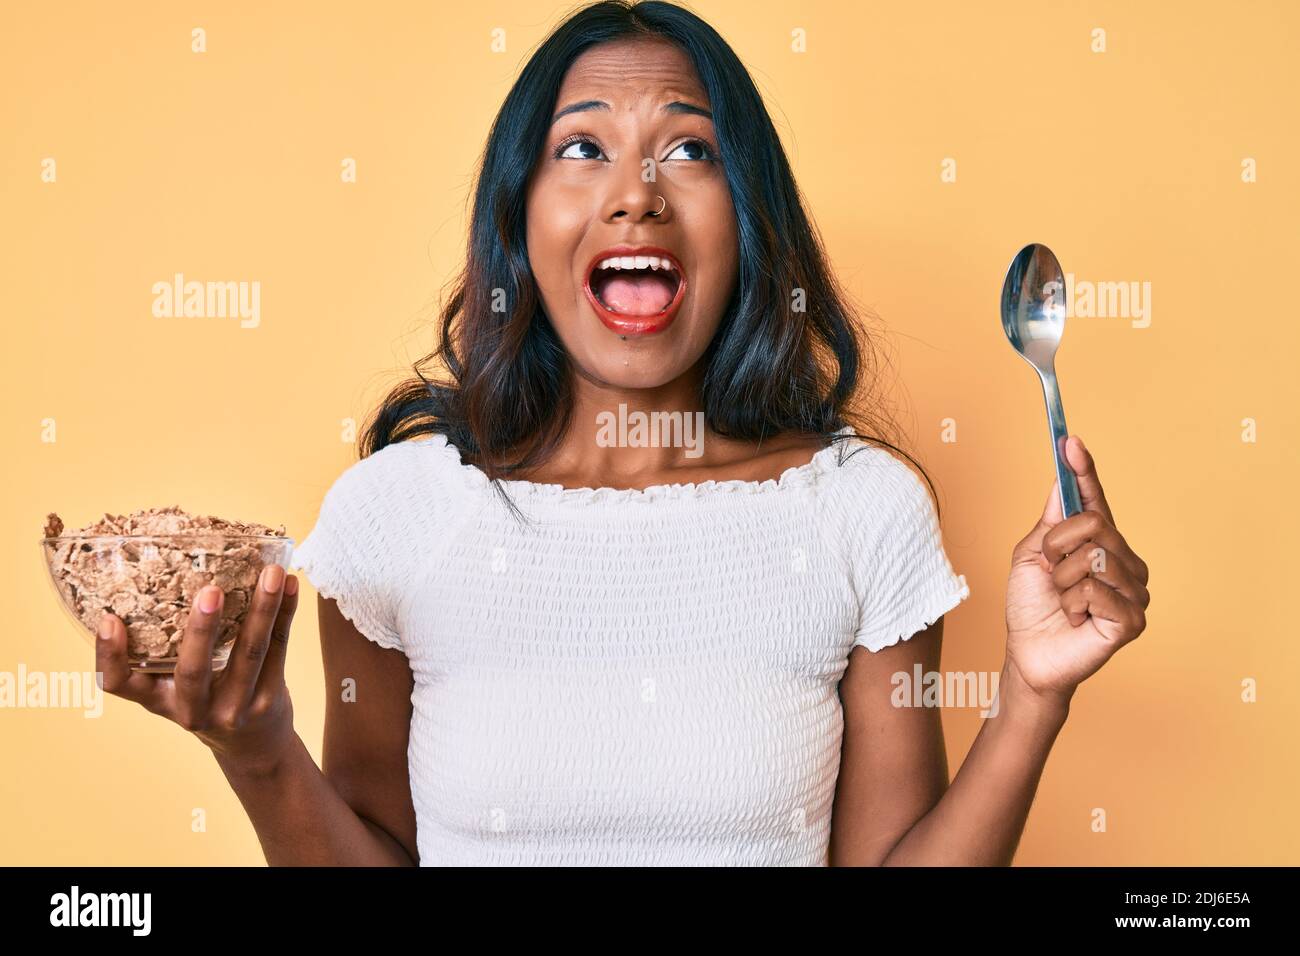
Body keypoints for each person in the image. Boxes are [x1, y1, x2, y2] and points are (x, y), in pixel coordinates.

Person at [95, 0, 1149, 866]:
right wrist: (261, 750)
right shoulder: (394, 516)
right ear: (520, 219)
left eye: (689, 149)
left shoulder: (862, 511)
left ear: (748, 217)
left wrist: (1028, 698)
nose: (635, 195)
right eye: (583, 146)